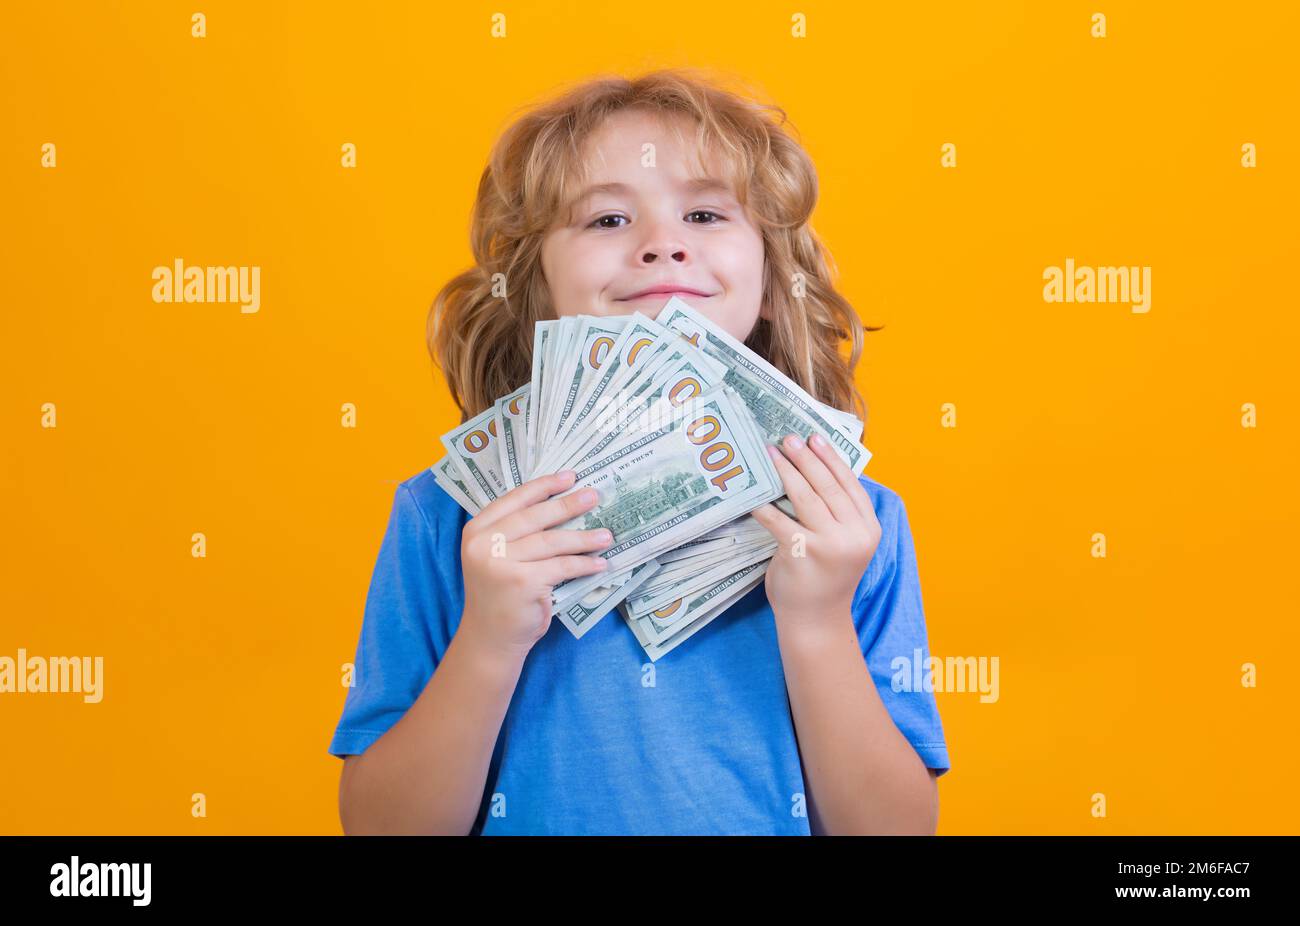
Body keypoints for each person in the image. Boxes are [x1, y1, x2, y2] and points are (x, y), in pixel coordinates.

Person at [329, 69, 950, 835]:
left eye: (703, 213)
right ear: (535, 287)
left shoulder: (853, 524)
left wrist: (818, 618)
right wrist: (490, 636)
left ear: (769, 282)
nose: (663, 247)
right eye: (608, 221)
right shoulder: (449, 518)